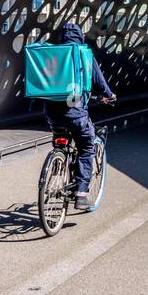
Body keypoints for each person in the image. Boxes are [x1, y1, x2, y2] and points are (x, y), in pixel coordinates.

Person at [43, 22, 115, 209]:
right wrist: (109, 95)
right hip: (75, 113)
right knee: (86, 146)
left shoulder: (53, 55)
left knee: (60, 136)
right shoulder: (84, 54)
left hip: (52, 113)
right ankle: (81, 194)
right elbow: (99, 81)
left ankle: (57, 169)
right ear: (79, 37)